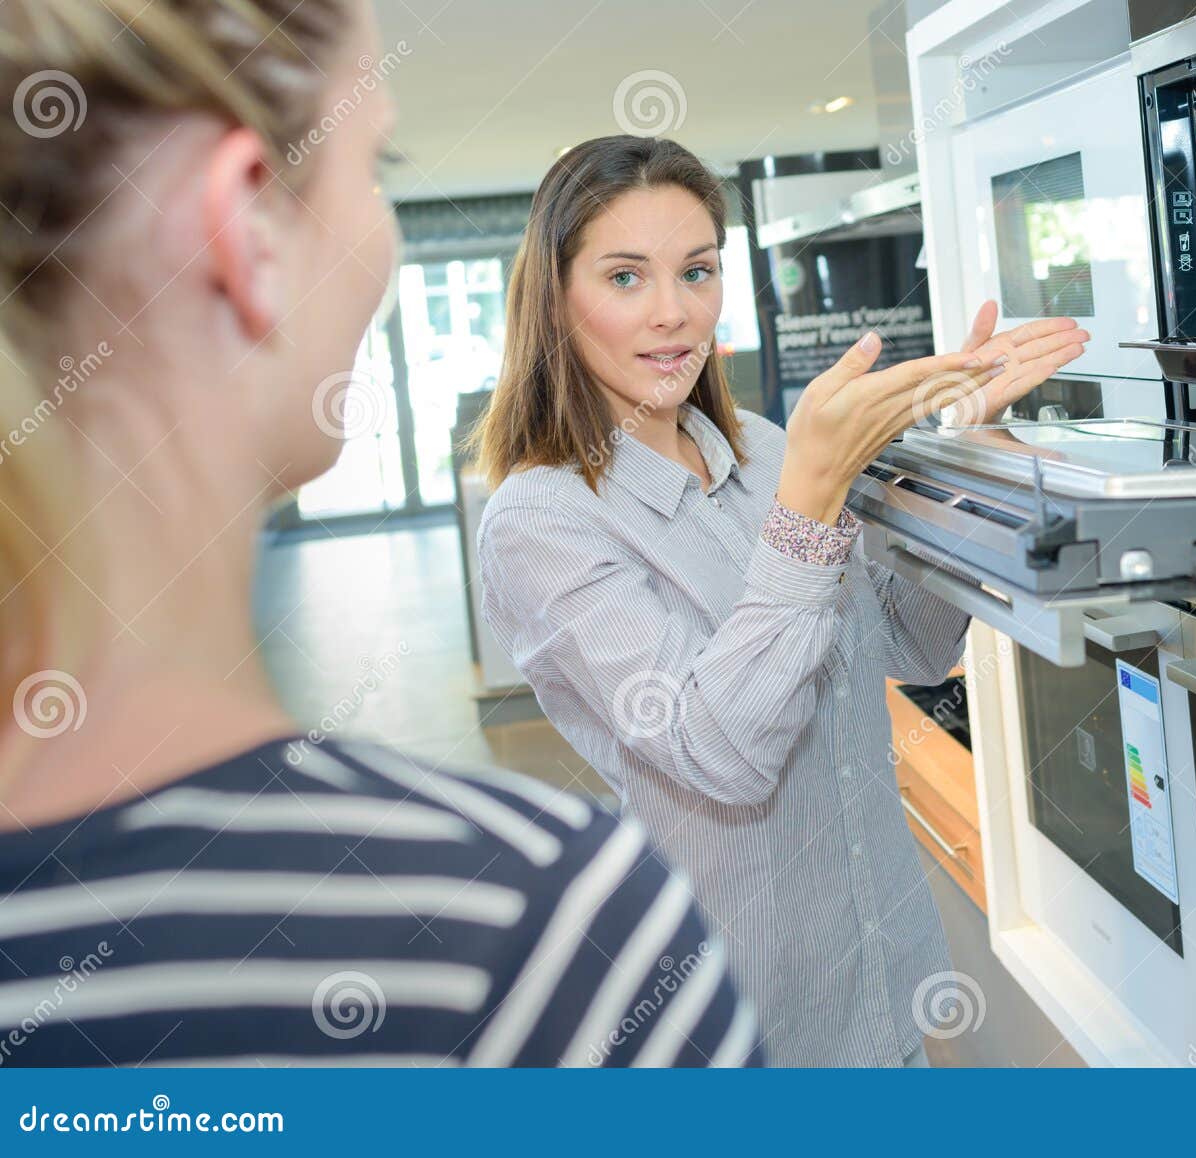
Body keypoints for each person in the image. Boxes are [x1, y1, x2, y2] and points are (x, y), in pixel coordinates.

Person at [0, 0, 757, 1067]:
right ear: (246, 228)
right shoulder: (530, 937)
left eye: (695, 269)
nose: (671, 311)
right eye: (377, 162)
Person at [471, 134, 1090, 1066]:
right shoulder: (541, 521)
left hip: (880, 988)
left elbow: (912, 649)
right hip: (734, 1027)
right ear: (555, 298)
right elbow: (717, 752)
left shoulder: (759, 450)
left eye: (698, 271)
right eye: (626, 278)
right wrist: (810, 500)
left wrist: (963, 455)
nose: (674, 314)